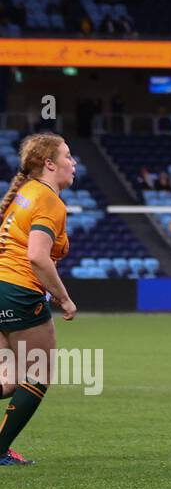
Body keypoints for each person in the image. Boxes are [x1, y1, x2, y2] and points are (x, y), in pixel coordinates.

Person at [0, 134, 78, 465]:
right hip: (19, 290)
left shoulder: (24, 194)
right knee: (39, 373)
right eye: (68, 156)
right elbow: (37, 257)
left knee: (8, 379)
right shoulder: (48, 200)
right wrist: (64, 298)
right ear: (49, 164)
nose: (73, 163)